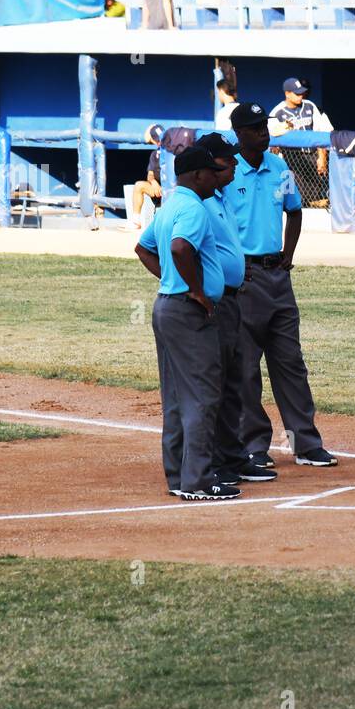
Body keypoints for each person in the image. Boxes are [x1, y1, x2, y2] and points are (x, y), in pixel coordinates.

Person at [224, 102, 338, 469]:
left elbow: (295, 210)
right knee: (245, 369)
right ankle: (254, 445)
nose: (263, 132)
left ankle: (304, 443)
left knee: (291, 363)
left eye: (264, 126)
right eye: (255, 128)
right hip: (245, 278)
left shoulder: (278, 166)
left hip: (277, 277)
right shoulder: (227, 172)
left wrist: (288, 255)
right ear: (239, 134)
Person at [133, 146, 238, 501]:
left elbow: (142, 248)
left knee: (176, 398)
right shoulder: (193, 207)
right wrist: (194, 289)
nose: (215, 176)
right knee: (203, 397)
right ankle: (198, 480)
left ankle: (179, 476)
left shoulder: (171, 205)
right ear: (196, 175)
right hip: (187, 313)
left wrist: (173, 282)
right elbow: (180, 249)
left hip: (166, 307)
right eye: (210, 172)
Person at [195, 133, 279, 485]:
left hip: (233, 299)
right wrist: (197, 292)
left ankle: (232, 457)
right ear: (210, 167)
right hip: (210, 306)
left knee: (233, 382)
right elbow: (157, 248)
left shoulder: (221, 197)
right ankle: (210, 463)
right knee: (212, 386)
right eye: (227, 160)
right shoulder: (194, 202)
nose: (234, 164)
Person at [268, 77, 331, 204]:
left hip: (312, 156)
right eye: (297, 93)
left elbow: (321, 131)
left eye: (301, 92)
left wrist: (322, 156)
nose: (300, 96)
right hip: (292, 160)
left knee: (315, 195)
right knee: (297, 197)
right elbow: (272, 143)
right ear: (287, 94)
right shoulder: (277, 112)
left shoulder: (310, 106)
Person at [125, 124, 165, 231]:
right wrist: (153, 182)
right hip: (158, 190)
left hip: (172, 191)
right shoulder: (154, 154)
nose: (159, 142)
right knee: (139, 185)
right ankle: (135, 222)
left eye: (161, 139)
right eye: (157, 139)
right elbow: (150, 174)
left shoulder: (173, 152)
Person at [213, 59, 239, 130]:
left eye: (218, 92)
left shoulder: (223, 113)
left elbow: (222, 136)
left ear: (221, 91)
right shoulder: (243, 108)